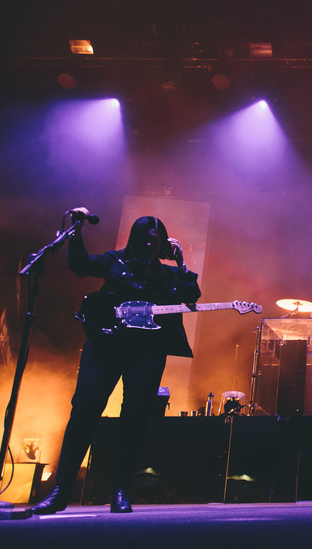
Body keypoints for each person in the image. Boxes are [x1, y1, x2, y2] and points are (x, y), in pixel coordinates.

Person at [28, 211, 201, 514]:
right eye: (145, 238)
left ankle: (119, 490)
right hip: (106, 345)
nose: (149, 243)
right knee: (84, 411)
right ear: (135, 238)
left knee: (134, 418)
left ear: (161, 244)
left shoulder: (167, 273)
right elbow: (81, 265)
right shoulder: (115, 261)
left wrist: (181, 262)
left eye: (155, 240)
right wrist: (77, 232)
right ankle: (60, 490)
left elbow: (191, 297)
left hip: (147, 352)